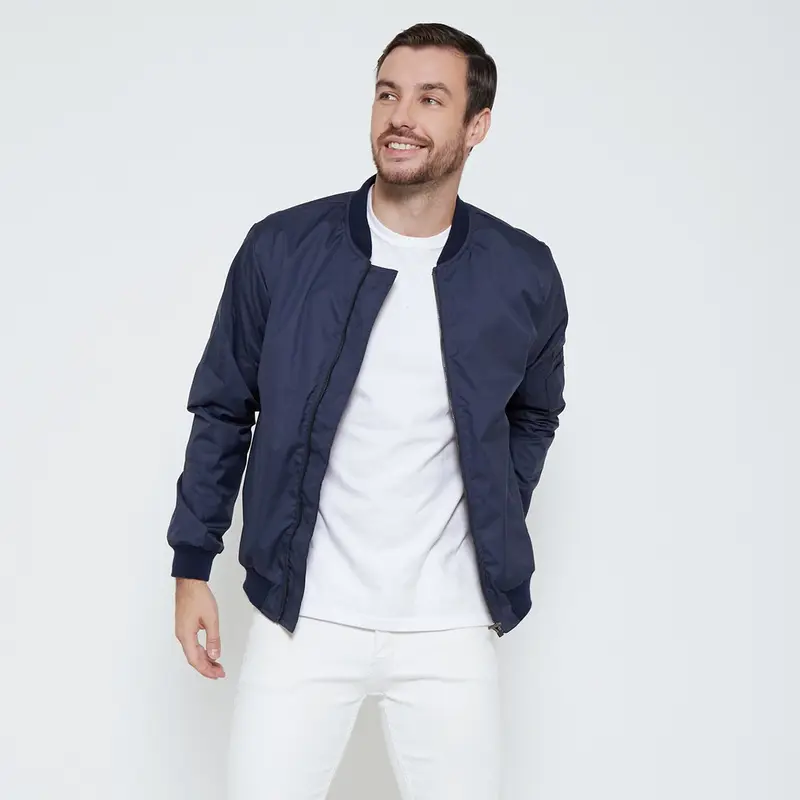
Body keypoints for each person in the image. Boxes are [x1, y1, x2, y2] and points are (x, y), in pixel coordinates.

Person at [167, 21, 568, 800]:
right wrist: (191, 564)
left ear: (477, 126)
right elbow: (223, 407)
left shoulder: (522, 274)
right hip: (304, 616)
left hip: (449, 627)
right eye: (388, 94)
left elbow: (534, 416)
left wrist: (492, 511)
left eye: (430, 99)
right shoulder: (283, 250)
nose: (400, 117)